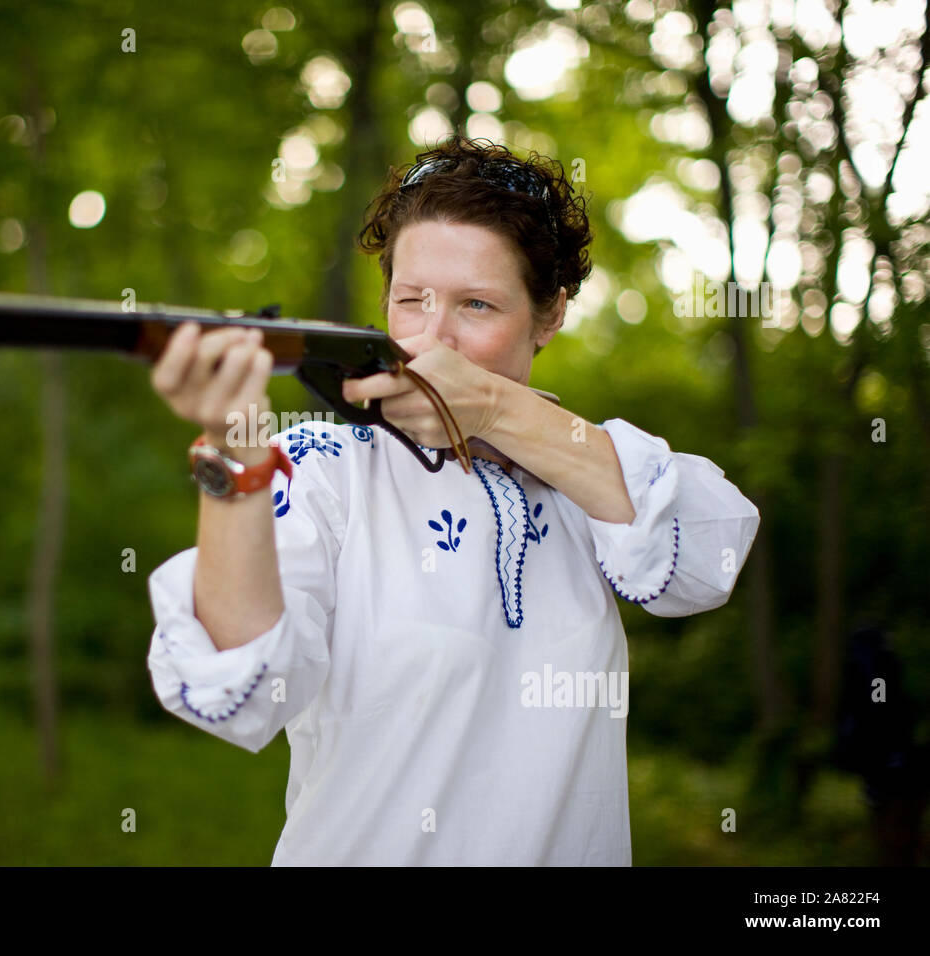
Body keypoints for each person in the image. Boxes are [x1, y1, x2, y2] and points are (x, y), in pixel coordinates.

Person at [144, 135, 761, 865]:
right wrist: (234, 454)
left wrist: (500, 414)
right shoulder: (326, 469)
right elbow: (238, 690)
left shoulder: (588, 477)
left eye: (477, 304)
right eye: (411, 301)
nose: (433, 338)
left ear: (550, 314)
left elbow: (708, 556)